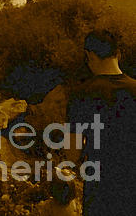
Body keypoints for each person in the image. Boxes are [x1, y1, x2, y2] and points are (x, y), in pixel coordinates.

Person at [65, 29, 136, 215]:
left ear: (89, 55)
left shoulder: (81, 95)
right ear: (118, 54)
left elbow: (72, 152)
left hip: (100, 191)